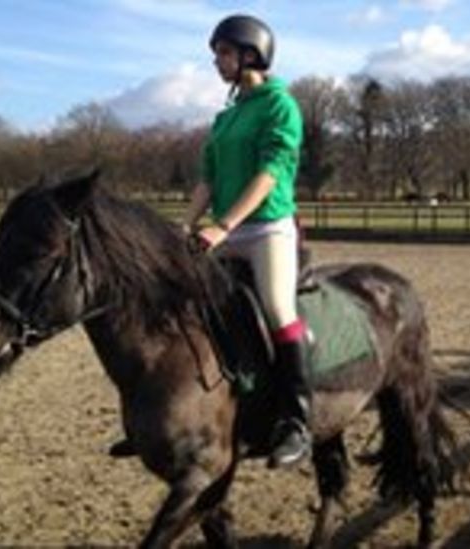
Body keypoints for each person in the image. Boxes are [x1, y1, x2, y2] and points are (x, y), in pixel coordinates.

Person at [113, 14, 311, 469]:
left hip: (266, 229)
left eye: (224, 52)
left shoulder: (281, 106)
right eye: (216, 54)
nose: (217, 62)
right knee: (175, 301)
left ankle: (297, 420)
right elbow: (209, 178)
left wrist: (224, 227)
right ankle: (170, 415)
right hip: (222, 230)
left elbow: (270, 173)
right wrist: (184, 226)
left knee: (279, 310)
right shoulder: (225, 118)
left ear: (250, 54)